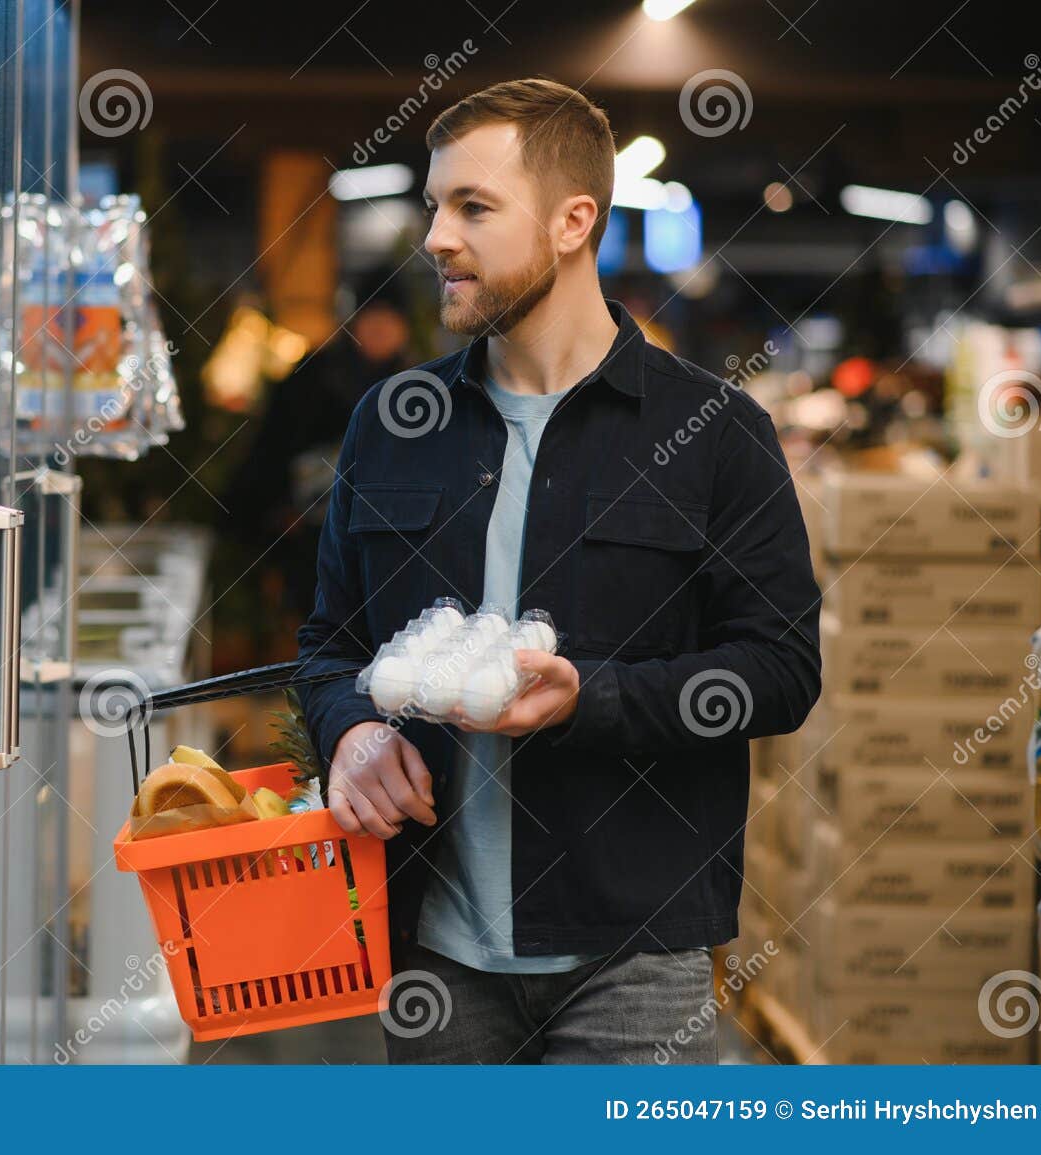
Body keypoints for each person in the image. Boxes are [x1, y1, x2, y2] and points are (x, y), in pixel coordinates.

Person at [294, 77, 821, 1064]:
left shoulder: (712, 433)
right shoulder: (395, 425)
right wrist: (351, 730)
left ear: (574, 220)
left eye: (473, 208)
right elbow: (329, 646)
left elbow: (780, 670)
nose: (436, 238)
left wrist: (594, 699)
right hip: (433, 960)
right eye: (434, 207)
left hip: (633, 963)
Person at [222, 270, 414, 631]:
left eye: (391, 321)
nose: (381, 331)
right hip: (313, 531)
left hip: (387, 535)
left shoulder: (414, 384)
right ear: (355, 322)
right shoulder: (314, 373)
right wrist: (283, 512)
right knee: (321, 628)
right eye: (373, 319)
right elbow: (274, 445)